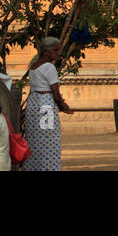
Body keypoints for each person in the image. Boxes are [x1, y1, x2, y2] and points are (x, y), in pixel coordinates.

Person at [22, 37, 72, 171]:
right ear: (46, 52)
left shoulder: (33, 66)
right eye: (55, 50)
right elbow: (55, 92)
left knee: (35, 140)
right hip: (46, 107)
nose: (58, 54)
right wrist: (63, 106)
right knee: (49, 140)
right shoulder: (49, 67)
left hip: (33, 105)